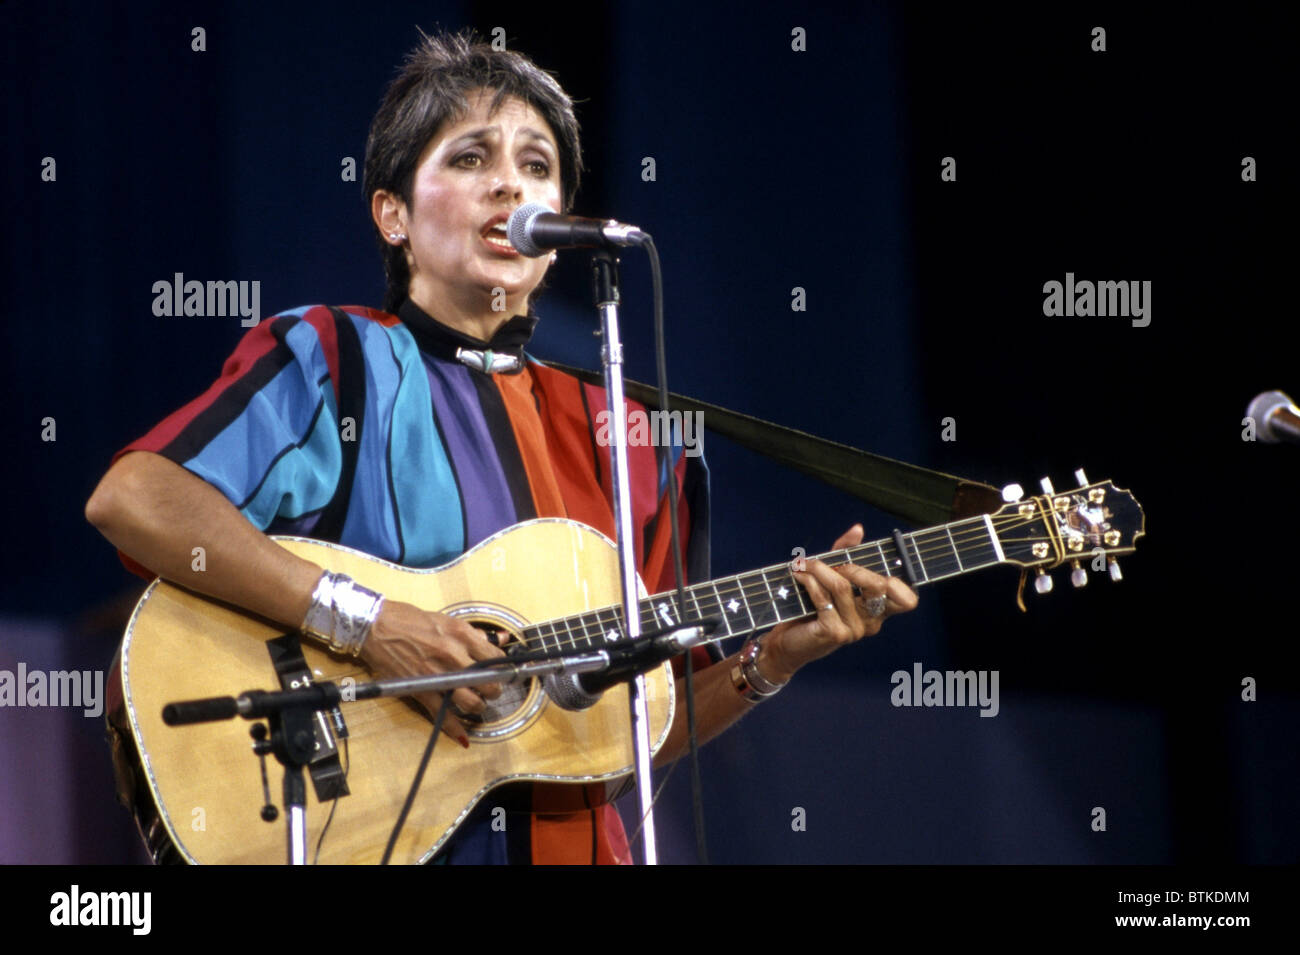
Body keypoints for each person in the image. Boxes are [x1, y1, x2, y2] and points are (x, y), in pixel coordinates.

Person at [85, 29, 918, 865]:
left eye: (536, 165)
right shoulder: (334, 359)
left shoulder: (627, 436)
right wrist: (371, 623)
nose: (509, 184)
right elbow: (134, 499)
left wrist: (774, 656)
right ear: (393, 215)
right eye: (471, 157)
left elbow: (628, 726)